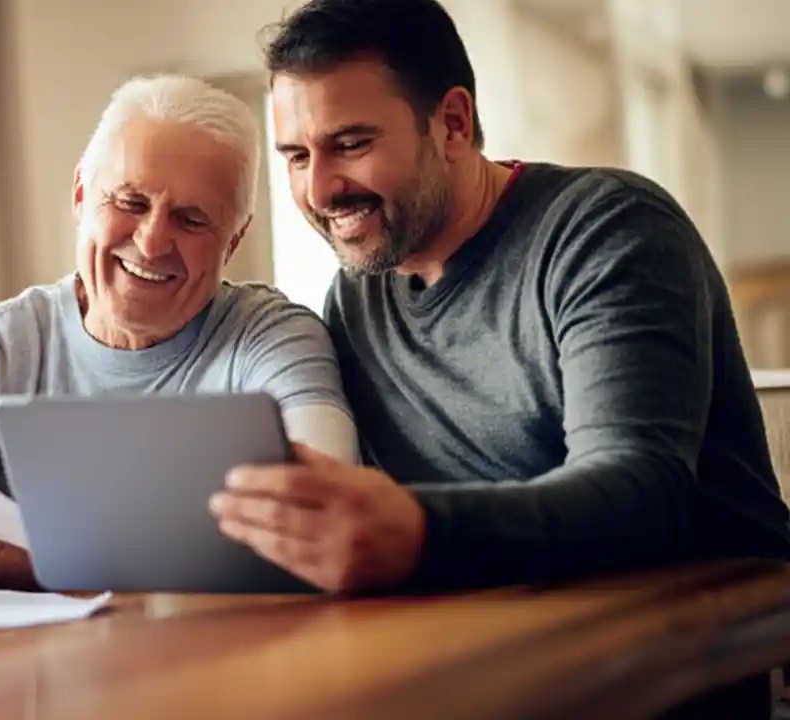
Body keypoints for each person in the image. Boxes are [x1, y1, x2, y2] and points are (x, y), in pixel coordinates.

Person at [210, 0, 790, 594]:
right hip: (501, 633)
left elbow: (641, 495)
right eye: (298, 157)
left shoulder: (607, 231)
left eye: (352, 144)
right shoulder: (358, 299)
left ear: (453, 124)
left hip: (697, 638)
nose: (320, 189)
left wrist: (421, 533)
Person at [0, 75, 359, 603]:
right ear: (82, 195)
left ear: (233, 242)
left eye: (191, 220)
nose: (153, 242)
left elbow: (332, 508)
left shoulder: (274, 338)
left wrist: (10, 562)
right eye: (129, 202)